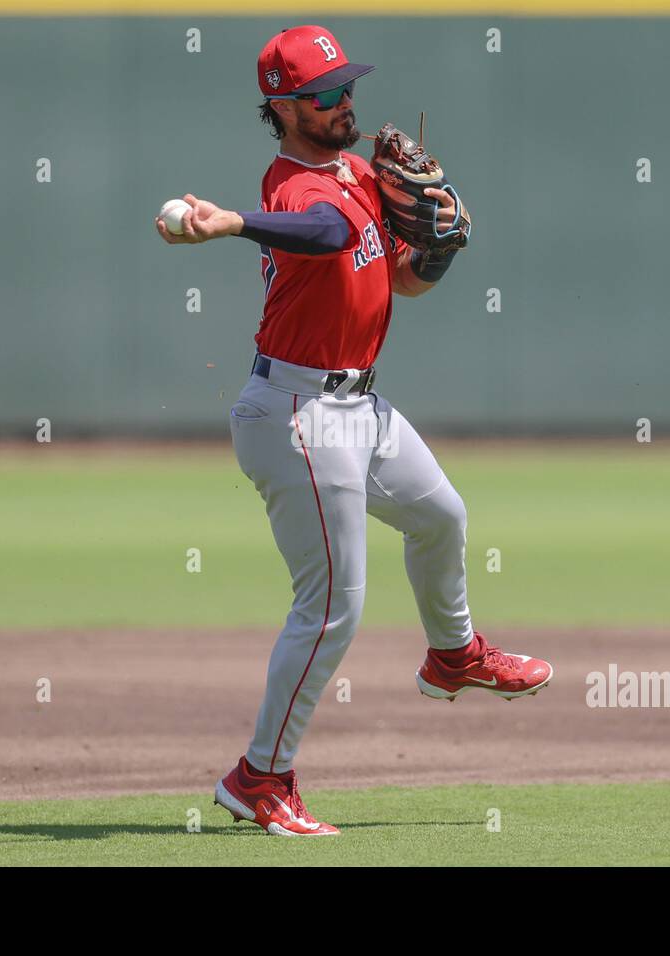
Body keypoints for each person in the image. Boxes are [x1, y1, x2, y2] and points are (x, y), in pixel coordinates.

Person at [156, 26, 553, 838]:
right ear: (285, 108)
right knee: (331, 607)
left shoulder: (360, 172)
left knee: (441, 516)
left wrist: (440, 253)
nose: (346, 104)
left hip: (359, 408)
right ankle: (259, 779)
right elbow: (327, 235)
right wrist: (234, 223)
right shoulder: (295, 188)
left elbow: (402, 281)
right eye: (326, 95)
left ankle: (454, 655)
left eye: (347, 88)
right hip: (298, 416)